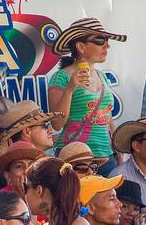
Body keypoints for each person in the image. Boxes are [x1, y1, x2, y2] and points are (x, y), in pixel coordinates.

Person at [47, 17, 124, 162]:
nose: (107, 46)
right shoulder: (61, 77)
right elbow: (56, 124)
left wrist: (119, 156)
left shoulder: (102, 77)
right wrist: (69, 89)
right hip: (75, 159)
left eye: (107, 41)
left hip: (106, 158)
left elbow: (108, 120)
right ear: (81, 47)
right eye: (100, 41)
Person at [0, 101, 53, 190]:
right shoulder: (0, 171)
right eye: (45, 125)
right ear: (27, 131)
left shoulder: (5, 167)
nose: (51, 130)